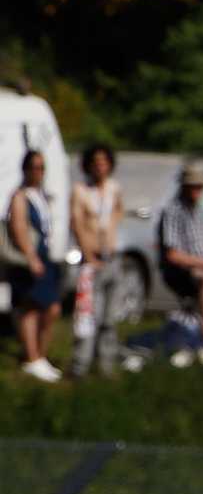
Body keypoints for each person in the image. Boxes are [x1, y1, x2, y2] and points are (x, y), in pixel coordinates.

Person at [156, 160, 203, 350]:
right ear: (185, 186)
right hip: (180, 270)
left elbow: (194, 245)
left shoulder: (197, 211)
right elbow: (173, 255)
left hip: (200, 263)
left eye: (201, 187)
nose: (198, 191)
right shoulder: (173, 211)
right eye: (194, 186)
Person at [69, 144, 130, 378]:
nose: (100, 166)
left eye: (104, 162)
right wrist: (88, 253)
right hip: (91, 258)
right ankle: (80, 365)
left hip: (112, 256)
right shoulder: (81, 190)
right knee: (87, 316)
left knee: (109, 316)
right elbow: (76, 222)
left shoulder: (114, 189)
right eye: (96, 162)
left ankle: (106, 365)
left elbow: (118, 212)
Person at [8, 151, 65, 381]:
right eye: (34, 167)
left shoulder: (41, 195)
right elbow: (19, 228)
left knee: (48, 308)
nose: (38, 172)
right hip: (29, 259)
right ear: (25, 169)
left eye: (41, 167)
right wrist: (31, 257)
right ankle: (32, 357)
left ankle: (39, 355)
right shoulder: (20, 196)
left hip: (45, 256)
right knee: (32, 307)